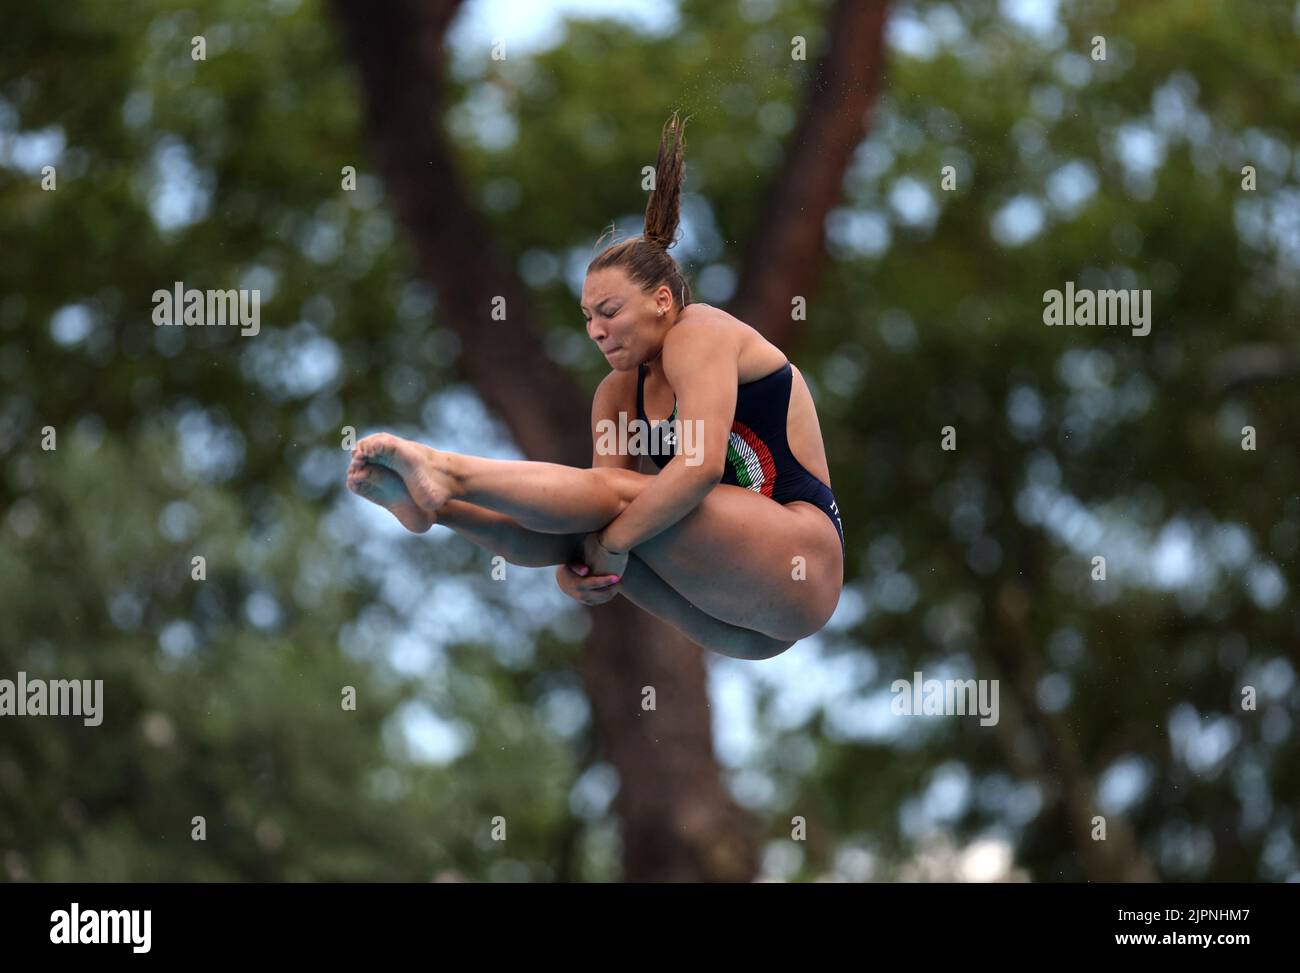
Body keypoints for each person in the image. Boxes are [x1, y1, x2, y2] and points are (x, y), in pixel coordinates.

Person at [348, 112, 843, 660]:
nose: (597, 331)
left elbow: (697, 469)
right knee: (585, 529)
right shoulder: (616, 395)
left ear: (661, 301)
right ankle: (437, 509)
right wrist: (575, 571)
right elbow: (589, 508)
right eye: (587, 318)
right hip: (742, 628)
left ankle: (448, 470)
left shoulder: (698, 334)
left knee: (619, 513)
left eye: (609, 311)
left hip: (803, 566)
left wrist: (609, 544)